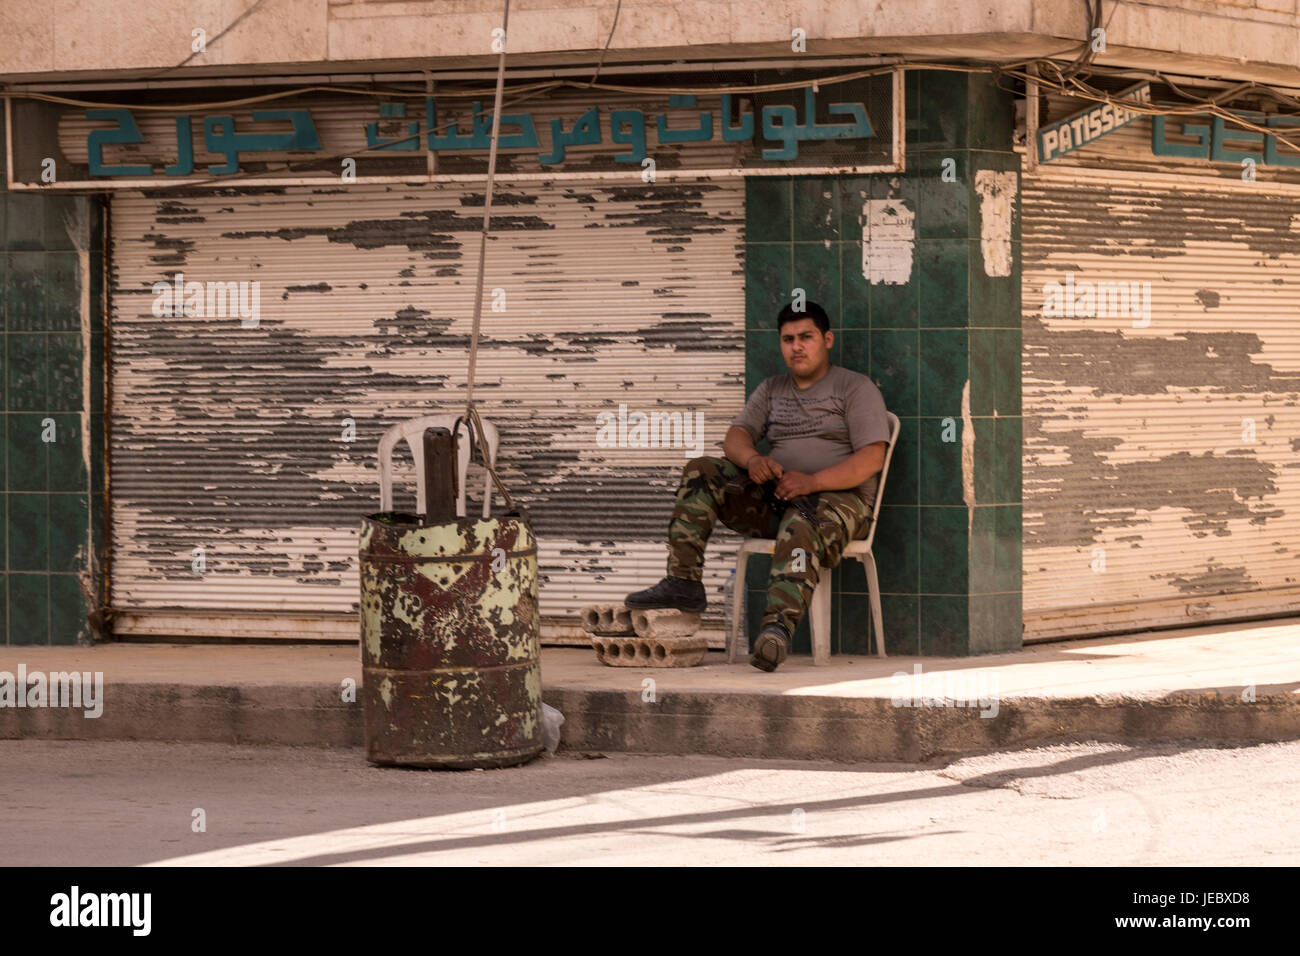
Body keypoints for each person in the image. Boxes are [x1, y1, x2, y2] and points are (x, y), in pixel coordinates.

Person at [624, 299, 892, 671]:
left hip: (838, 503)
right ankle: (682, 581)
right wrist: (753, 460)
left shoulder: (854, 388)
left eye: (806, 337)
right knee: (703, 470)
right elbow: (735, 436)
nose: (796, 346)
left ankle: (775, 631)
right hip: (778, 498)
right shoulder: (772, 390)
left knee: (803, 520)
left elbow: (871, 459)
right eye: (788, 339)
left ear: (827, 339)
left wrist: (812, 481)